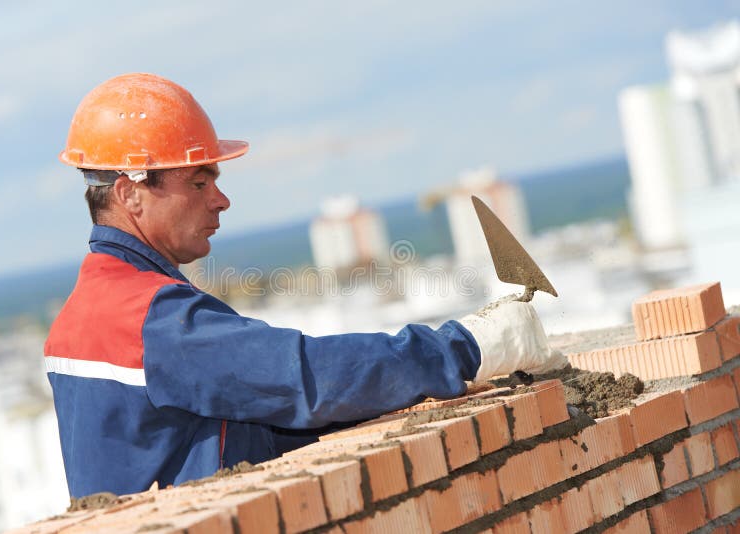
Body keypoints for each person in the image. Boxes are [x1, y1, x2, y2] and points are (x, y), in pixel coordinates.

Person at [46, 72, 566, 498]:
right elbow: (304, 380)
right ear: (129, 194)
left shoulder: (84, 315)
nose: (220, 200)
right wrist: (468, 348)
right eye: (200, 182)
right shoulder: (149, 321)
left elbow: (244, 427)